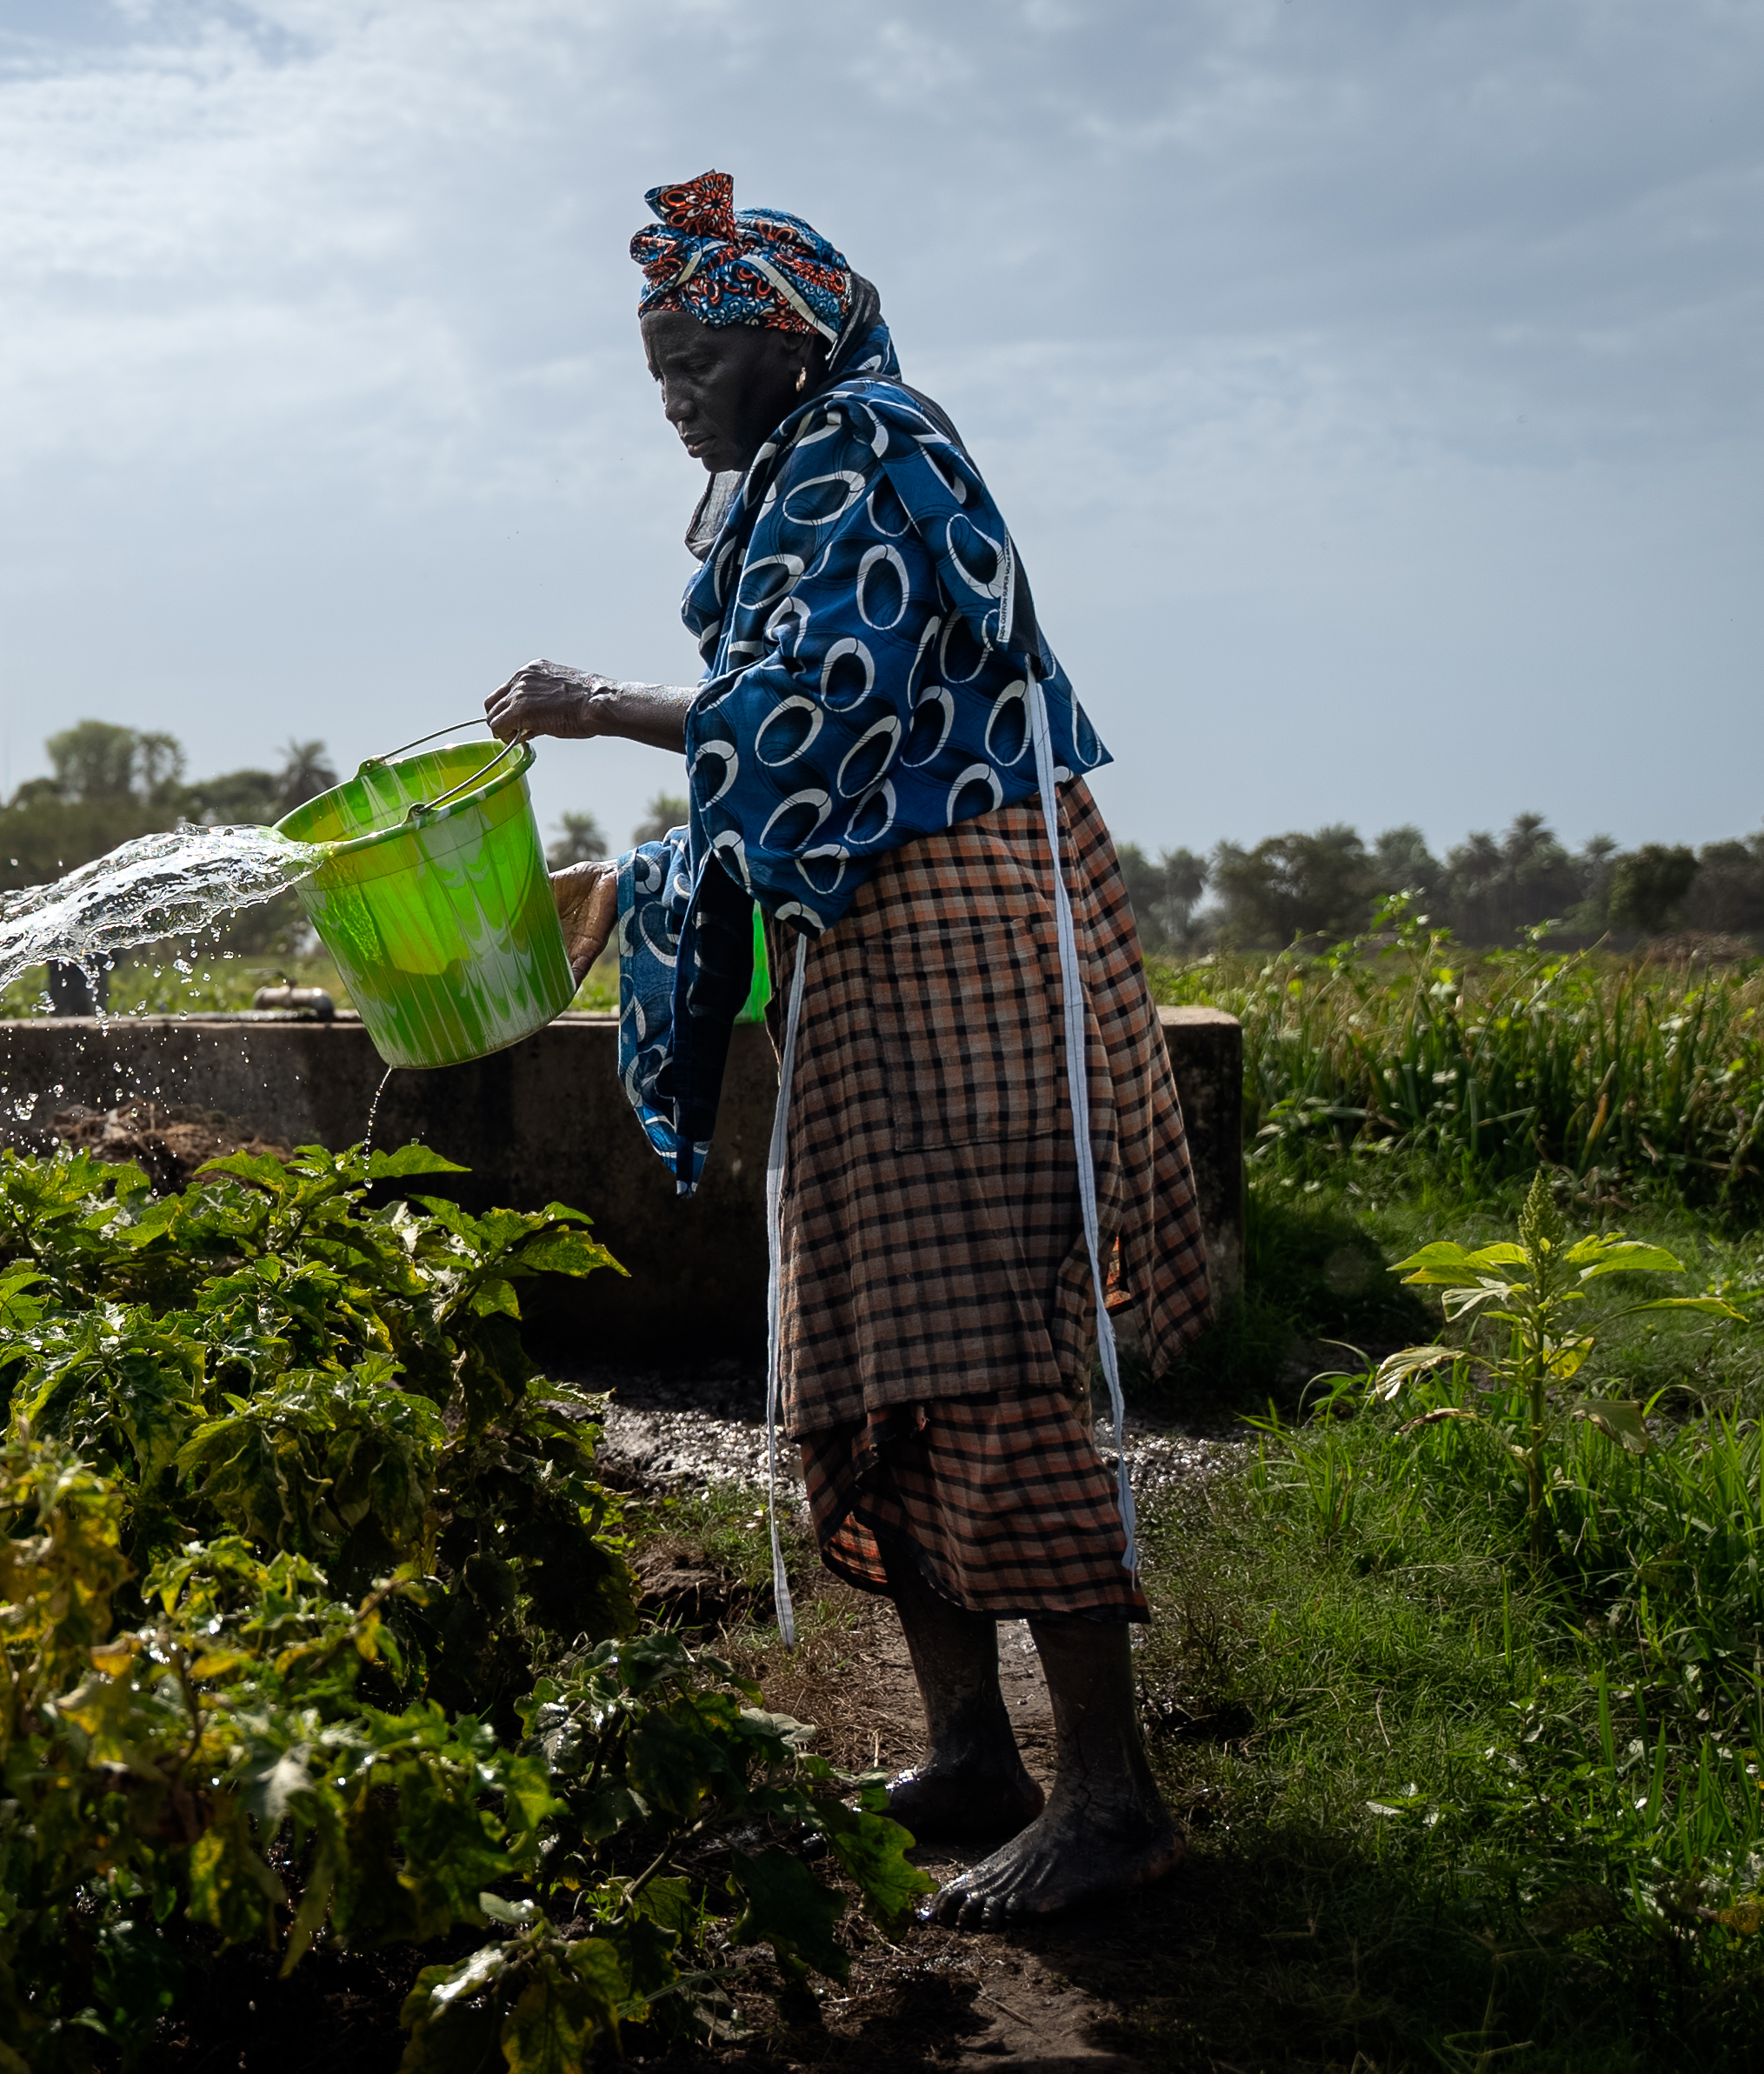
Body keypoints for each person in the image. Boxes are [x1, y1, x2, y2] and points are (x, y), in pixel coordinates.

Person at [487, 172, 1215, 1929]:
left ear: (782, 338)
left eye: (690, 353)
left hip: (965, 935)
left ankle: (1108, 1795)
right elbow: (800, 773)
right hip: (868, 949)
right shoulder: (786, 482)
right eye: (649, 361)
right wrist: (652, 874)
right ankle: (971, 1748)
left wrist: (595, 705)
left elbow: (817, 703)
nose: (665, 387)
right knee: (863, 1339)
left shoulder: (871, 442)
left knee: (978, 1345)